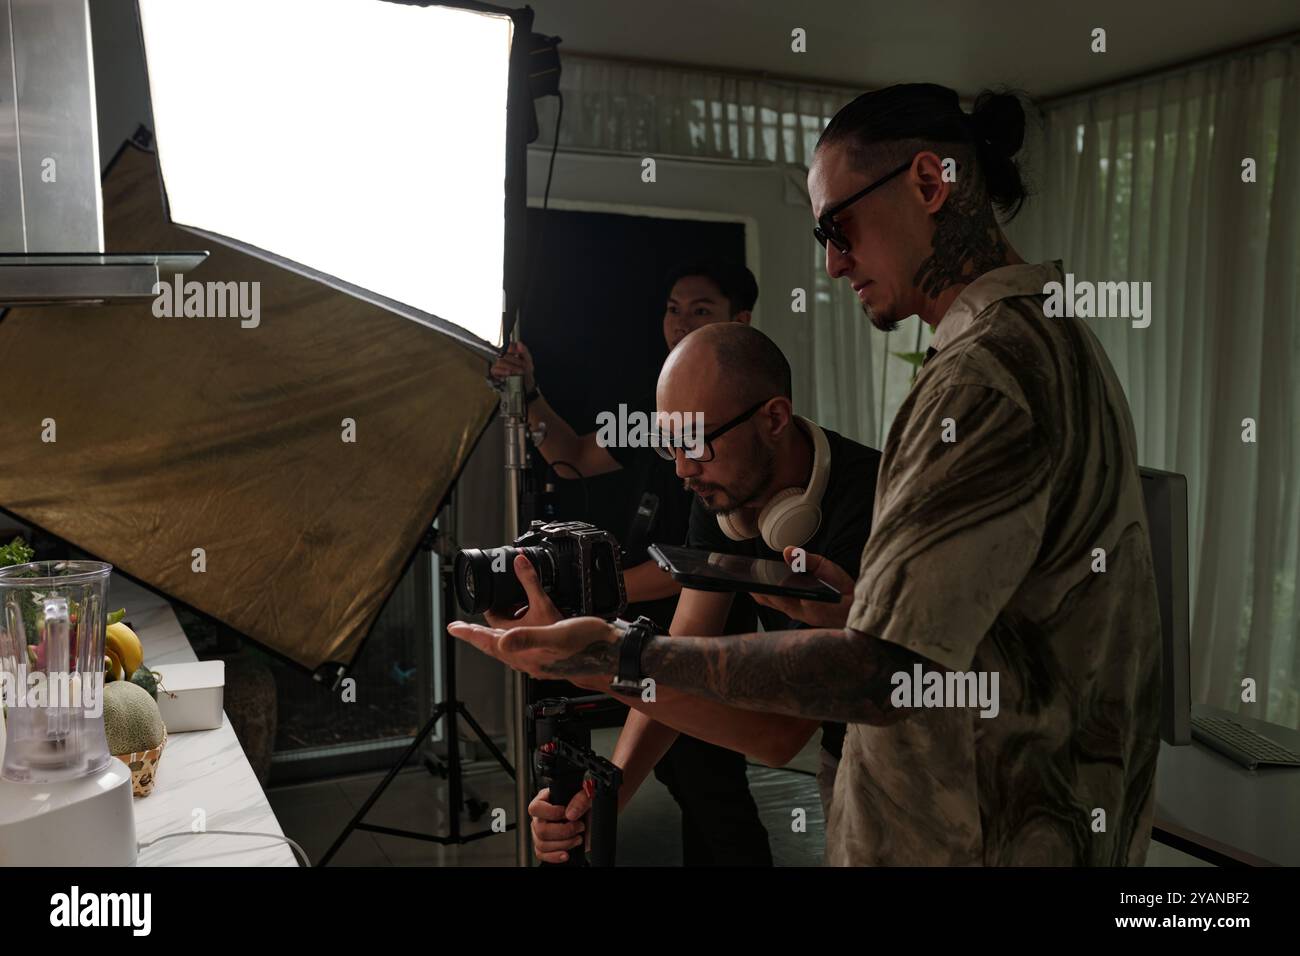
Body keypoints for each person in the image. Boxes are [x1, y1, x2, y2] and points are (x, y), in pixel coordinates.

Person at [452, 82, 1163, 867]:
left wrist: (611, 655)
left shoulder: (981, 377)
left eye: (838, 226)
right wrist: (864, 615)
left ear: (929, 184)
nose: (830, 262)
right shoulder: (1055, 333)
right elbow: (971, 641)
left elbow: (875, 678)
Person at [486, 323, 878, 863]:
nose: (684, 469)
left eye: (697, 443)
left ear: (774, 418)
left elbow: (780, 734)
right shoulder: (721, 490)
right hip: (847, 756)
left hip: (946, 751)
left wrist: (595, 663)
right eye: (671, 445)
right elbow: (675, 660)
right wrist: (599, 800)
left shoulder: (871, 501)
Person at [493, 260, 782, 865]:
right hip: (653, 636)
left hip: (701, 637)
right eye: (673, 309)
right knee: (693, 783)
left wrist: (600, 600)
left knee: (712, 789)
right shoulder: (648, 417)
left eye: (700, 310)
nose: (684, 464)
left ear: (741, 322)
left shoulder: (764, 465)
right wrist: (532, 391)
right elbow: (568, 452)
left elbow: (700, 566)